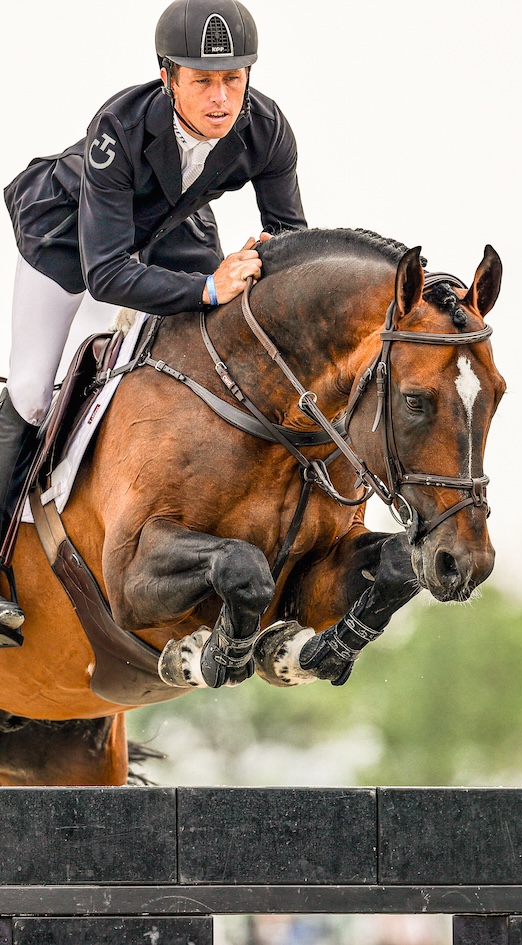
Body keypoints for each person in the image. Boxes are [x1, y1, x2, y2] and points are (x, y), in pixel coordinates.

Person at [0, 0, 306, 637]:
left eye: (233, 79)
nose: (221, 98)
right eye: (202, 81)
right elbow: (105, 276)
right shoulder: (119, 126)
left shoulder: (267, 129)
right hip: (69, 242)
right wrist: (206, 287)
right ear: (168, 77)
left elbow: (291, 241)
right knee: (33, 393)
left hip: (168, 232)